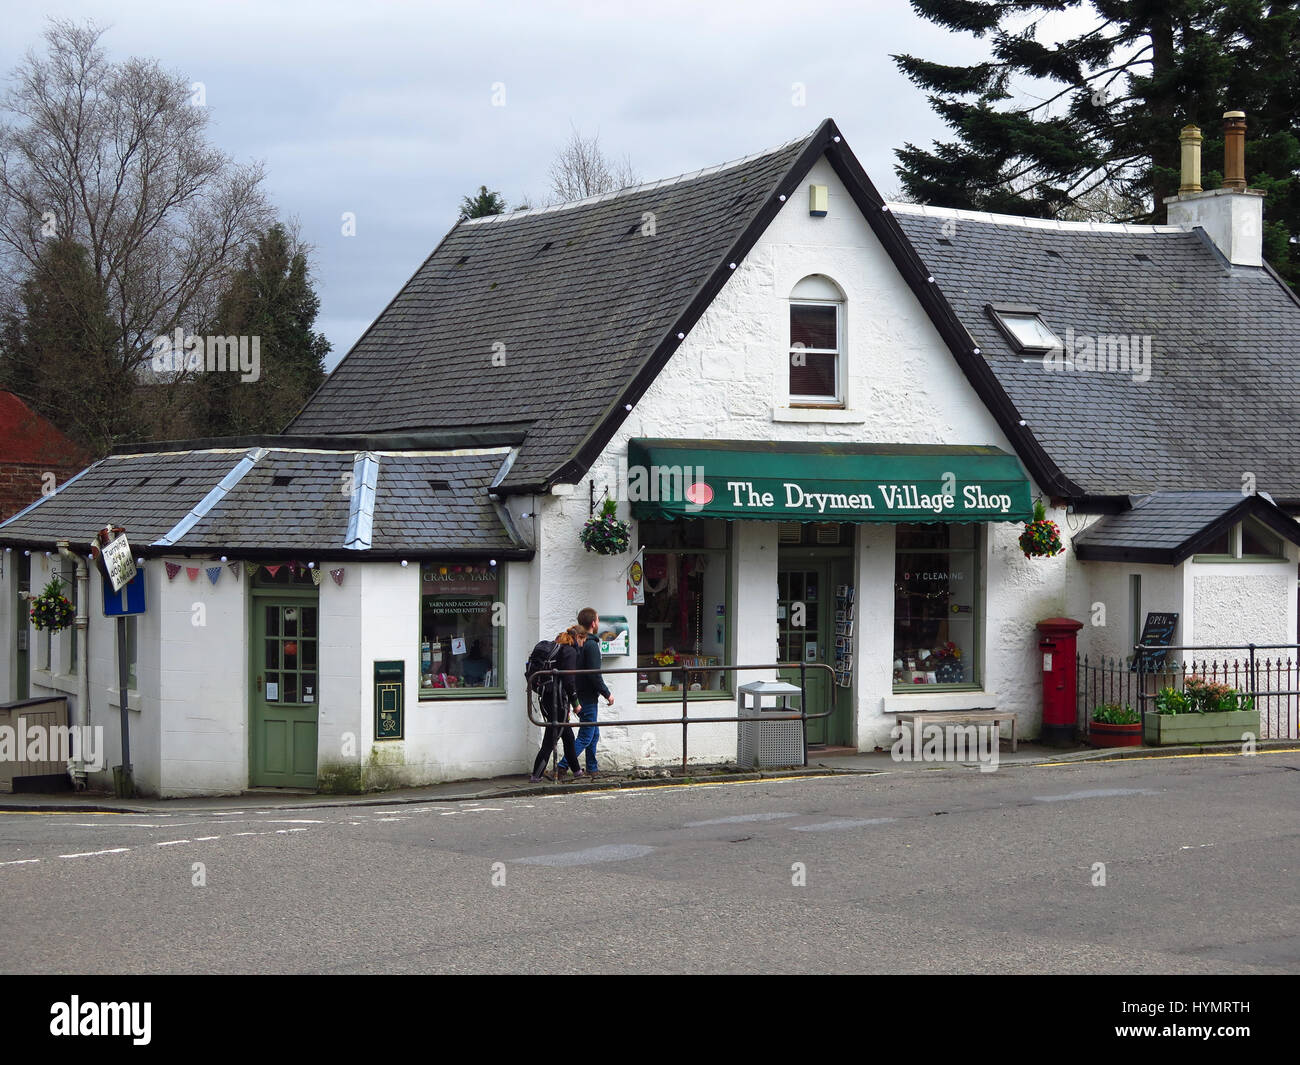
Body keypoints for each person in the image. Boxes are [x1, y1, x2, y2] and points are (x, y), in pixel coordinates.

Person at [558, 607, 614, 777]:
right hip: (588, 696)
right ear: (593, 623)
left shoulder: (578, 642)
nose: (598, 623)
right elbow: (594, 674)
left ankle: (592, 767)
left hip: (578, 692)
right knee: (586, 735)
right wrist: (607, 693)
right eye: (597, 620)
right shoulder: (590, 645)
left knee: (593, 733)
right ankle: (562, 765)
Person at [529, 626, 586, 783]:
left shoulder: (556, 648)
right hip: (557, 700)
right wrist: (576, 703)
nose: (583, 644)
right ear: (579, 638)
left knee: (567, 735)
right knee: (551, 738)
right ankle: (536, 775)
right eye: (583, 640)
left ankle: (576, 771)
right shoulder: (569, 652)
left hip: (547, 697)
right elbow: (569, 681)